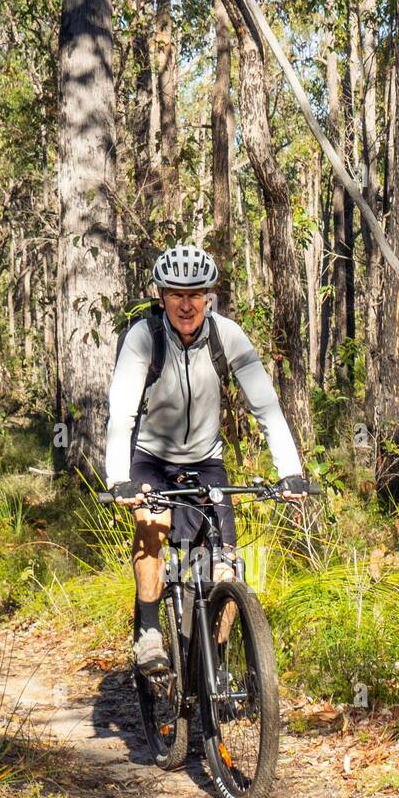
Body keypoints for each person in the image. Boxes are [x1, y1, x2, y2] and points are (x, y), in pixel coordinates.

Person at [105, 244, 307, 673]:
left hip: (205, 463)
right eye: (176, 294)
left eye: (195, 294)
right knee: (153, 526)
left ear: (208, 296)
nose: (186, 303)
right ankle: (149, 631)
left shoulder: (227, 335)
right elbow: (121, 412)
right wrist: (119, 478)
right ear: (161, 296)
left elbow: (266, 406)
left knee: (227, 569)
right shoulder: (145, 337)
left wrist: (289, 471)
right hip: (150, 460)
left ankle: (212, 666)